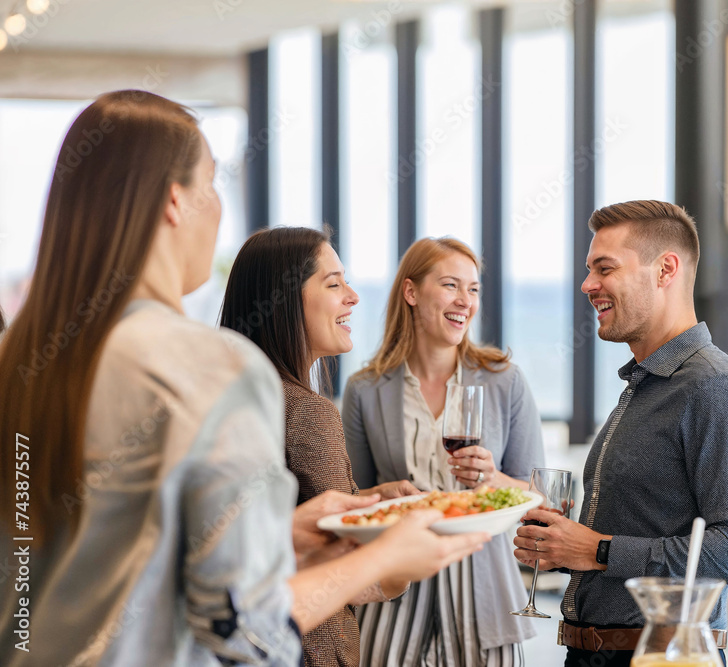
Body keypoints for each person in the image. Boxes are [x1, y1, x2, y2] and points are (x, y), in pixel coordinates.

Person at [0, 90, 487, 666]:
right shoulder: (210, 367)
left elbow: (108, 574)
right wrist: (385, 558)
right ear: (175, 201)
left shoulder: (21, 361)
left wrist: (283, 535)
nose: (219, 209)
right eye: (213, 183)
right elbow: (244, 629)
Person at [512, 200, 728, 667]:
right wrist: (568, 548)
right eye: (589, 270)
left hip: (663, 657)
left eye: (604, 268)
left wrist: (597, 550)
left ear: (665, 269)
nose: (587, 285)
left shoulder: (716, 389)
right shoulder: (644, 384)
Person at [220, 226, 422, 667]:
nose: (352, 296)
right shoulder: (307, 410)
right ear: (286, 299)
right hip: (313, 646)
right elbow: (347, 559)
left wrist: (369, 500)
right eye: (333, 284)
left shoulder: (231, 398)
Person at [342, 237, 546, 667]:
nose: (465, 301)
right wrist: (383, 496)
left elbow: (539, 496)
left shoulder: (504, 381)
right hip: (394, 585)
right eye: (451, 285)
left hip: (484, 591)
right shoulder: (365, 389)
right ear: (411, 292)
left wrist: (492, 480)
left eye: (473, 289)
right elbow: (351, 497)